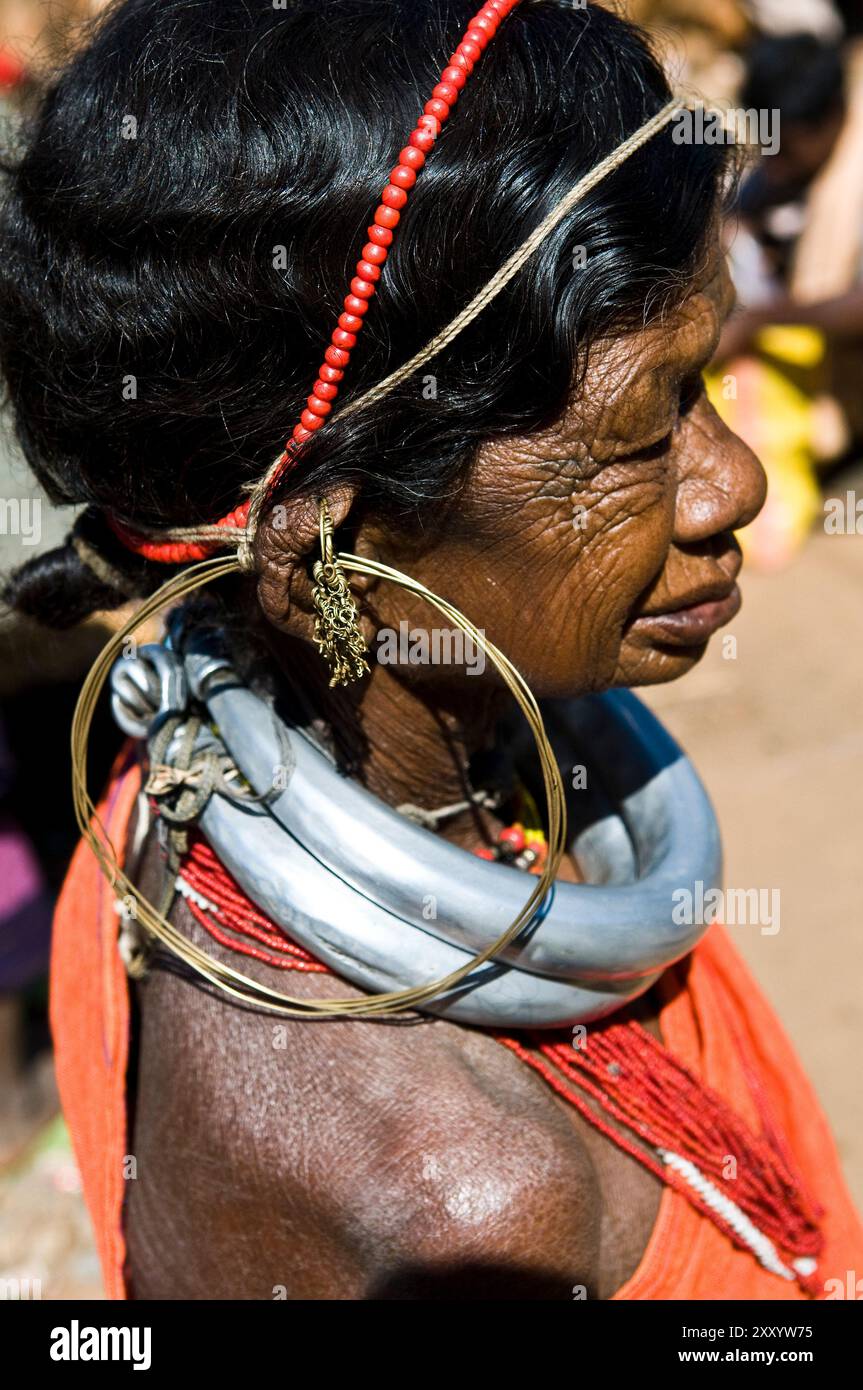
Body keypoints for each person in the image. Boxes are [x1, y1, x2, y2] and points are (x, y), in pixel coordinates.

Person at [1, 0, 862, 1301]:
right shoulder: (474, 1205)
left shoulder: (179, 795)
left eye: (709, 388)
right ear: (331, 555)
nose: (729, 485)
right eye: (645, 433)